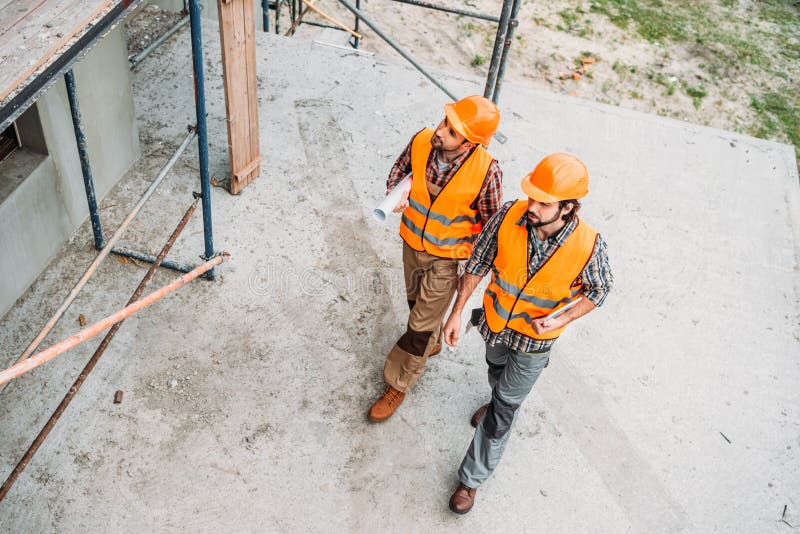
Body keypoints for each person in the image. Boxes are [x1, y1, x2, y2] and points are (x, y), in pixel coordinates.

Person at [441, 152, 614, 514]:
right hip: (495, 327)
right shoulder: (509, 216)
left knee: (504, 409)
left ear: (568, 208)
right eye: (531, 195)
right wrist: (456, 313)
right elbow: (477, 263)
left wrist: (562, 319)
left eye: (542, 201)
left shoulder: (588, 244)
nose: (531, 205)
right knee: (495, 374)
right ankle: (496, 399)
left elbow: (599, 289)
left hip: (534, 345)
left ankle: (471, 480)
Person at [368, 95, 503, 422]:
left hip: (446, 259)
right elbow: (399, 170)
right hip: (411, 243)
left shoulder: (487, 171)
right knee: (416, 305)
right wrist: (396, 192)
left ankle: (397, 382)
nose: (441, 131)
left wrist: (471, 263)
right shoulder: (422, 140)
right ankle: (430, 340)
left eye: (453, 132)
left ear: (470, 143)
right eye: (445, 122)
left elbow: (491, 226)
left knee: (418, 325)